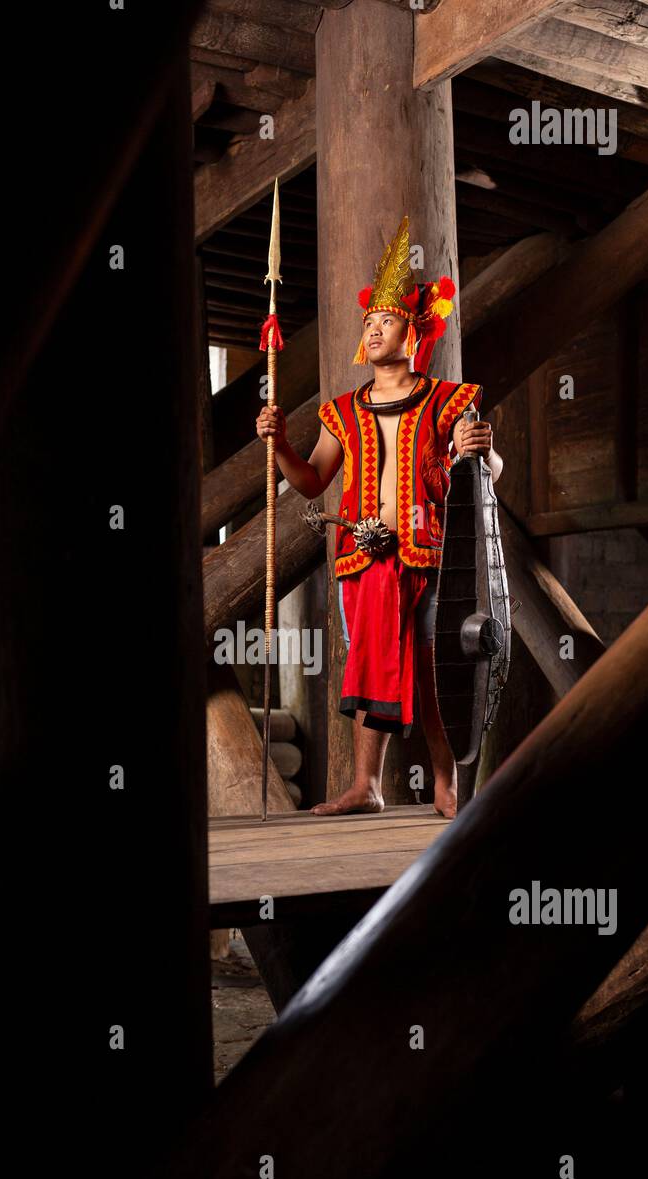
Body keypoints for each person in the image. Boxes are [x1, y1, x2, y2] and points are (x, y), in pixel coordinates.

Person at [255, 215, 503, 820]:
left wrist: (482, 450)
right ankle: (367, 784)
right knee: (371, 662)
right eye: (368, 322)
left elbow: (490, 473)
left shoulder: (452, 401)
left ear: (413, 335)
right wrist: (280, 444)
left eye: (385, 321)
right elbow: (313, 480)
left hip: (434, 551)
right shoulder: (342, 410)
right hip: (363, 556)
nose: (372, 331)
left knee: (436, 665)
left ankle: (446, 785)